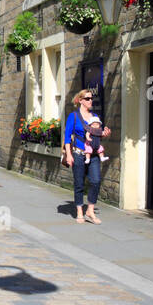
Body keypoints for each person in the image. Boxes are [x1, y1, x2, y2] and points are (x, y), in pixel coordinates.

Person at [64, 90, 112, 225]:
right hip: (78, 153)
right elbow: (67, 138)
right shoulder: (73, 116)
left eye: (92, 98)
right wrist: (68, 155)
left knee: (96, 181)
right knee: (79, 183)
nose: (91, 101)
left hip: (94, 154)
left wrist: (104, 134)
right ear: (80, 100)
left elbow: (97, 134)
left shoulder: (95, 116)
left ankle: (90, 210)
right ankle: (79, 210)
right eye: (88, 98)